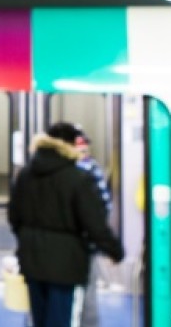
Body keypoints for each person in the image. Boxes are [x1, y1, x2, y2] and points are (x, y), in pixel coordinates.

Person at [9, 123, 124, 327]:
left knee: (39, 318)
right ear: (69, 146)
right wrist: (114, 251)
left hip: (31, 257)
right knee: (59, 319)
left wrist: (28, 240)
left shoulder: (26, 174)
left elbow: (14, 216)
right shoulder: (78, 178)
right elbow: (94, 222)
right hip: (65, 262)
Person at [73, 128, 112, 327]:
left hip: (79, 244)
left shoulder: (90, 170)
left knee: (86, 293)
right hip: (82, 244)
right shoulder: (91, 171)